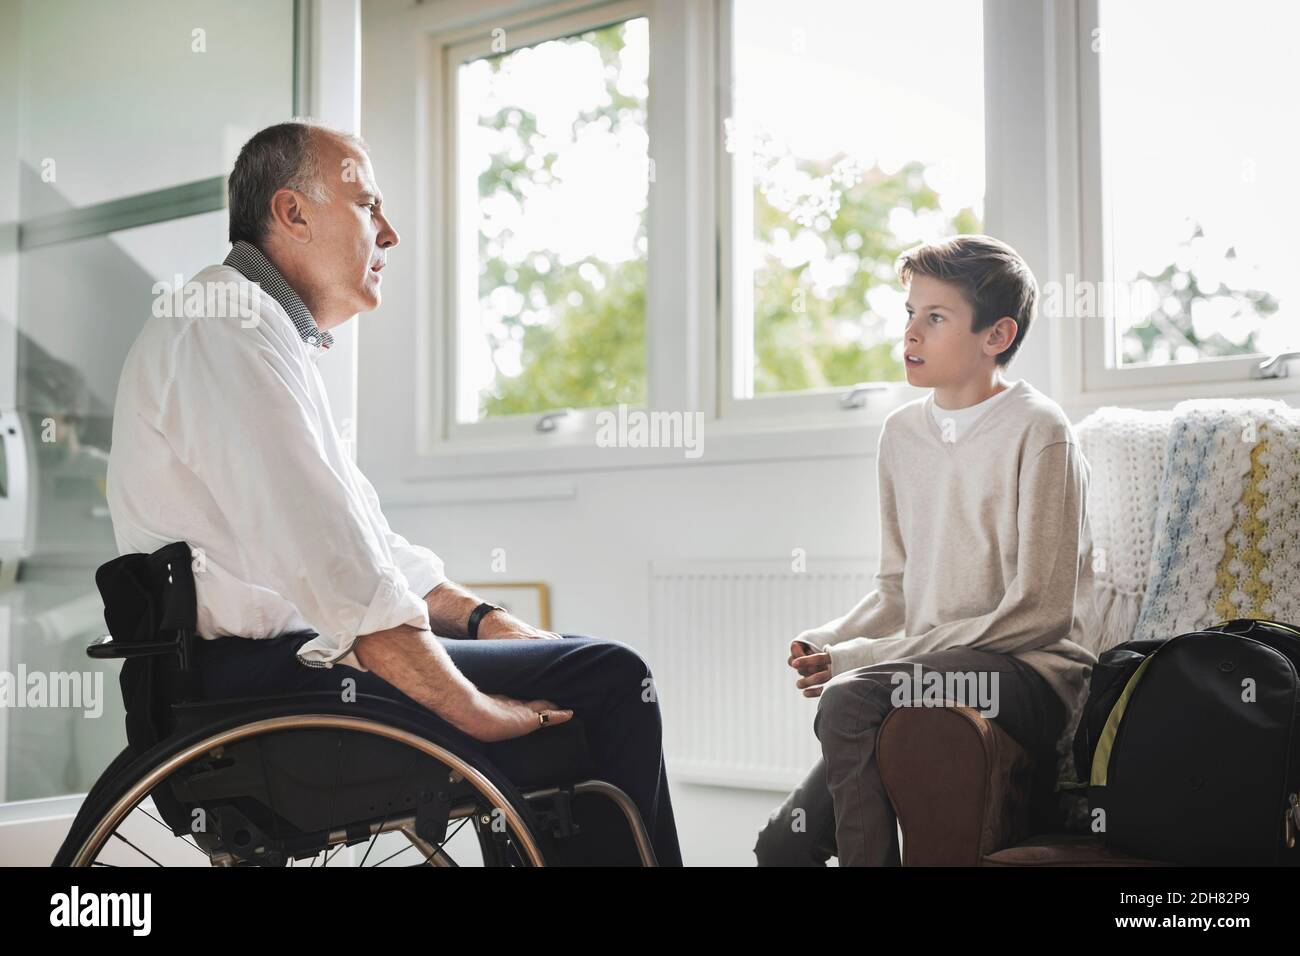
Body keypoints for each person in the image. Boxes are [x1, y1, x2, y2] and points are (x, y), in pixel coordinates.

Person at [105, 119, 681, 866]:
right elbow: (332, 558)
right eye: (368, 204)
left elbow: (370, 547)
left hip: (278, 667)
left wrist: (484, 619)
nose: (391, 233)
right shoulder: (224, 326)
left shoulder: (256, 329)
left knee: (567, 656)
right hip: (256, 686)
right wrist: (468, 706)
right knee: (610, 679)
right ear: (292, 213)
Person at [754, 235, 1097, 866]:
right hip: (920, 672)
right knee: (783, 847)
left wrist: (864, 657)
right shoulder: (901, 434)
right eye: (909, 313)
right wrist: (831, 639)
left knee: (850, 697)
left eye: (934, 318)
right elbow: (896, 587)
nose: (910, 332)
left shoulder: (1040, 430)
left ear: (997, 335)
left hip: (1028, 677)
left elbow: (1041, 615)